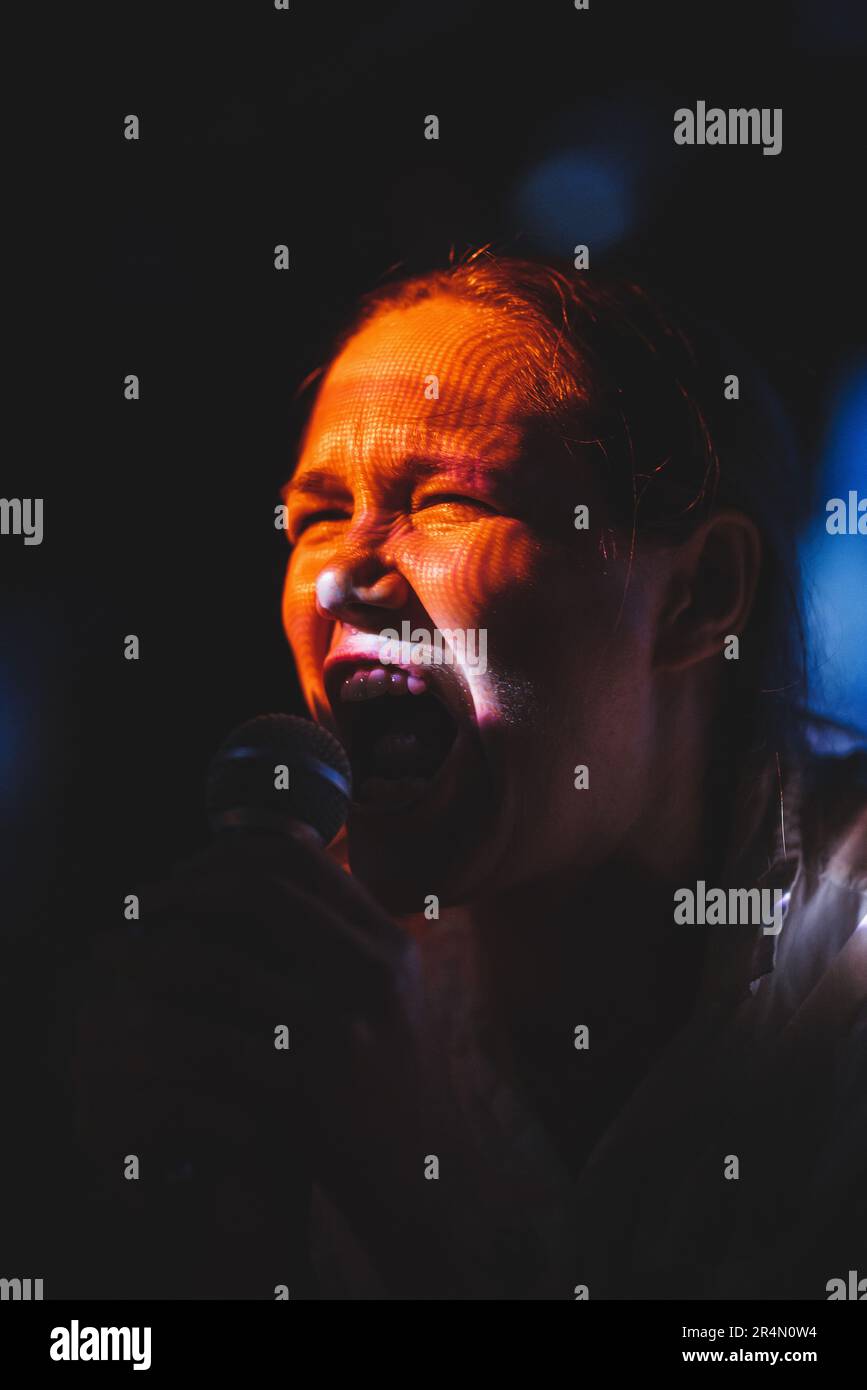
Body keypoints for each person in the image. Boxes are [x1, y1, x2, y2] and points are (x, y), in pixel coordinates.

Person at [72, 252, 867, 1300]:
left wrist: (429, 1210)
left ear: (701, 594)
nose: (344, 574)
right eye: (315, 514)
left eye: (446, 499)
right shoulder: (288, 981)